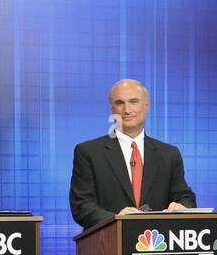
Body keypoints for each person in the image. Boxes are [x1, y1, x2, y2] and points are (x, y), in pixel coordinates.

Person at [69, 79, 196, 230]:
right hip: (106, 244)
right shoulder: (88, 152)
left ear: (146, 106)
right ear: (112, 109)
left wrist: (182, 206)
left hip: (156, 245)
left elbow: (185, 196)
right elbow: (82, 206)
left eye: (134, 101)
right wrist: (116, 220)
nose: (127, 110)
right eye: (119, 102)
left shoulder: (169, 154)